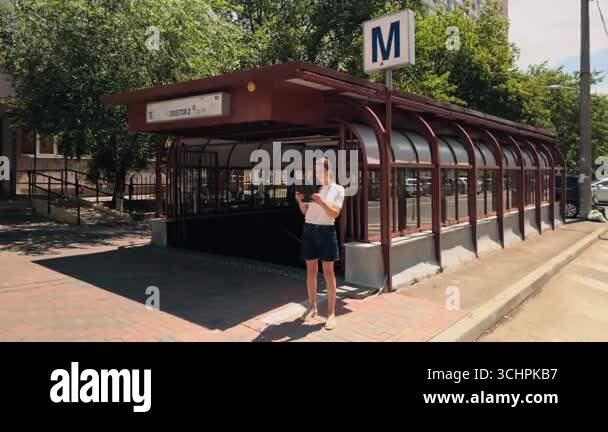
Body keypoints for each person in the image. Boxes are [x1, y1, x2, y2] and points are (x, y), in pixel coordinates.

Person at [295, 157, 345, 330]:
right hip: (309, 229)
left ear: (327, 169)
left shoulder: (337, 189)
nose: (315, 172)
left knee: (328, 273)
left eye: (318, 169)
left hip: (326, 231)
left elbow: (334, 214)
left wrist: (322, 202)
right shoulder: (312, 187)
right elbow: (306, 212)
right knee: (311, 270)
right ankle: (312, 306)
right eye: (314, 169)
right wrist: (300, 201)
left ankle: (331, 313)